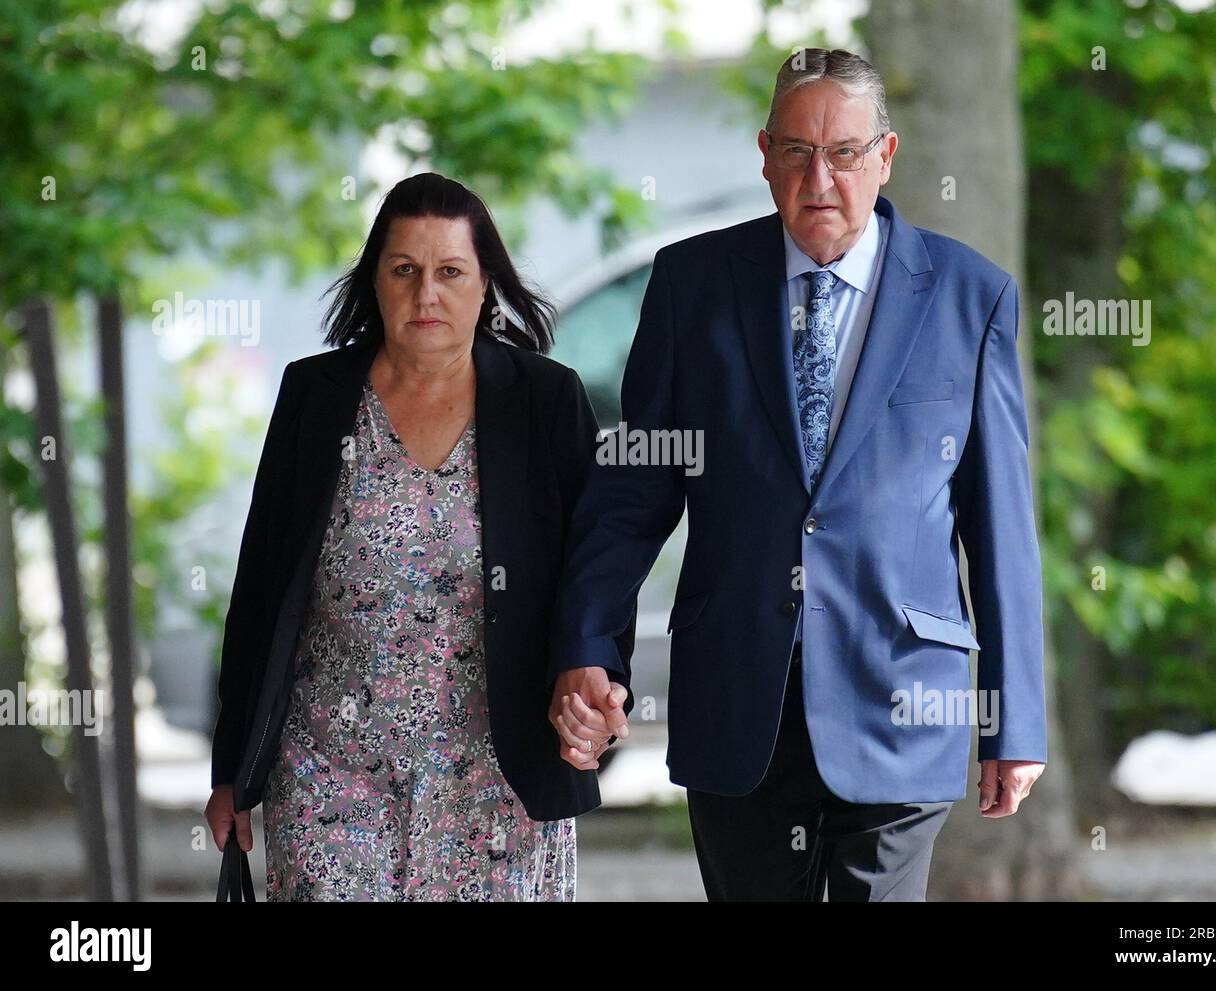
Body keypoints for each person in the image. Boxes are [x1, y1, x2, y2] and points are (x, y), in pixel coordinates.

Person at [548, 48, 1048, 901]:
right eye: (795, 151)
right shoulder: (692, 285)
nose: (820, 178)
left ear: (885, 156)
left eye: (844, 152)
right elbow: (635, 493)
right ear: (765, 153)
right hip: (739, 692)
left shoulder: (971, 297)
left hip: (901, 697)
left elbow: (998, 524)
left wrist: (1015, 717)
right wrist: (589, 647)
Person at [205, 171, 632, 901]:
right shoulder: (315, 397)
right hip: (328, 770)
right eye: (404, 270)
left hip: (497, 779)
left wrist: (599, 674)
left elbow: (595, 568)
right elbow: (262, 589)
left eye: (449, 272)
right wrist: (231, 769)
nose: (425, 294)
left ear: (486, 283)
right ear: (375, 280)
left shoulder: (546, 400)